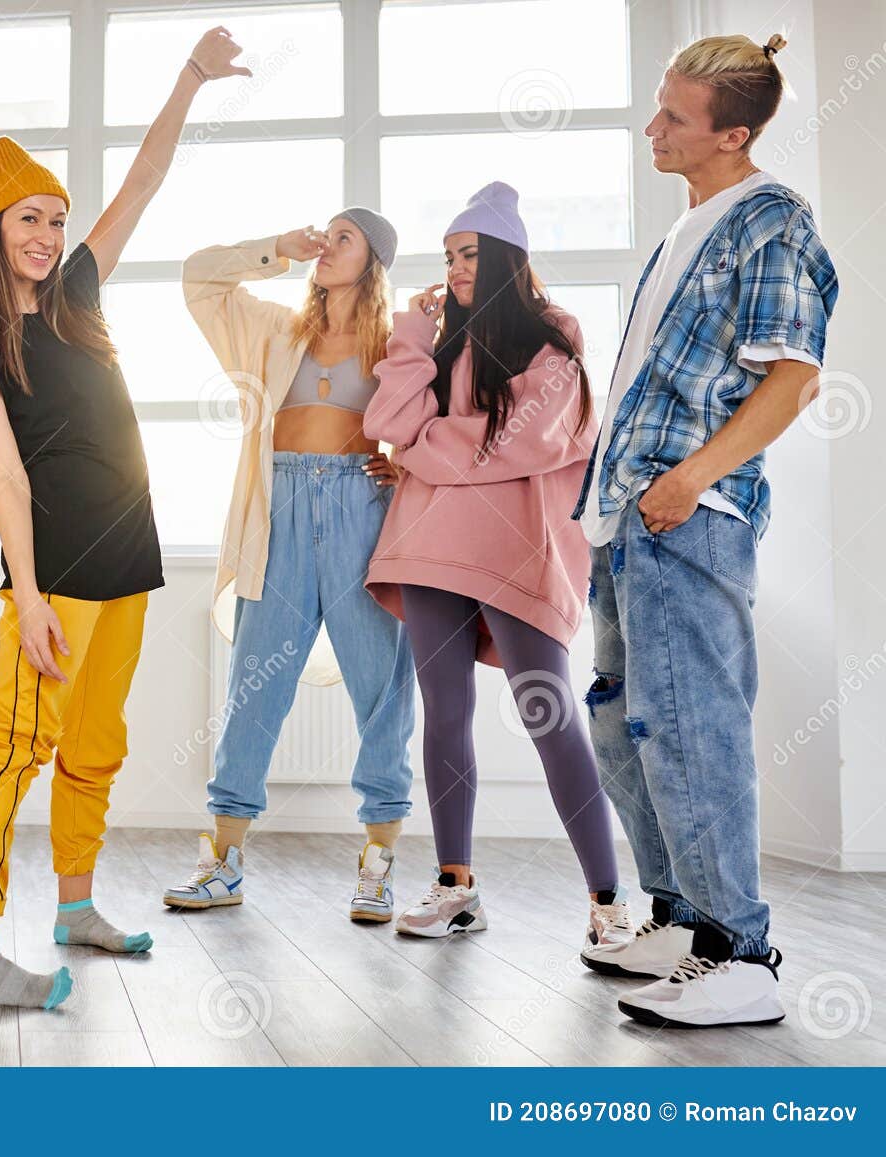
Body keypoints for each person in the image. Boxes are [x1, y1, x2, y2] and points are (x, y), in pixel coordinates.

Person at [0, 27, 252, 1009]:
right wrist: (25, 596)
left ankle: (74, 904)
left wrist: (189, 79)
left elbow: (146, 183)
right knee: (11, 749)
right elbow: (6, 481)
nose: (46, 235)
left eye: (55, 219)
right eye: (27, 218)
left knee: (94, 747)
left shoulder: (75, 294)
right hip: (57, 571)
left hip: (126, 562)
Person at [574, 34, 838, 1028]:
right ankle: (681, 923)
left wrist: (688, 479)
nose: (653, 129)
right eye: (657, 107)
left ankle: (741, 952)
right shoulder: (688, 228)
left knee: (690, 727)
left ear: (734, 133)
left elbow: (794, 376)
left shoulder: (770, 222)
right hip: (627, 516)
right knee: (622, 721)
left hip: (686, 514)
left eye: (674, 118)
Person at [362, 182, 633, 951]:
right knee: (444, 718)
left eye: (469, 252)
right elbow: (386, 423)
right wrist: (413, 331)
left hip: (515, 552)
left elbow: (514, 443)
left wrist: (426, 449)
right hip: (430, 549)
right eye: (448, 255)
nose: (454, 268)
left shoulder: (556, 343)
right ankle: (456, 886)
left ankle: (608, 902)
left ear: (508, 255)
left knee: (550, 718)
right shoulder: (440, 340)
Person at [163, 212, 416, 921]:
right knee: (253, 686)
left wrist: (407, 466)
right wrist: (275, 250)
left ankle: (377, 861)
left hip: (361, 510)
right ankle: (224, 860)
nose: (326, 246)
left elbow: (449, 415)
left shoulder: (397, 343)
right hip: (279, 507)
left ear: (374, 262)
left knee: (384, 686)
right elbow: (198, 276)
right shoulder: (277, 330)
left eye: (344, 238)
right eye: (324, 234)